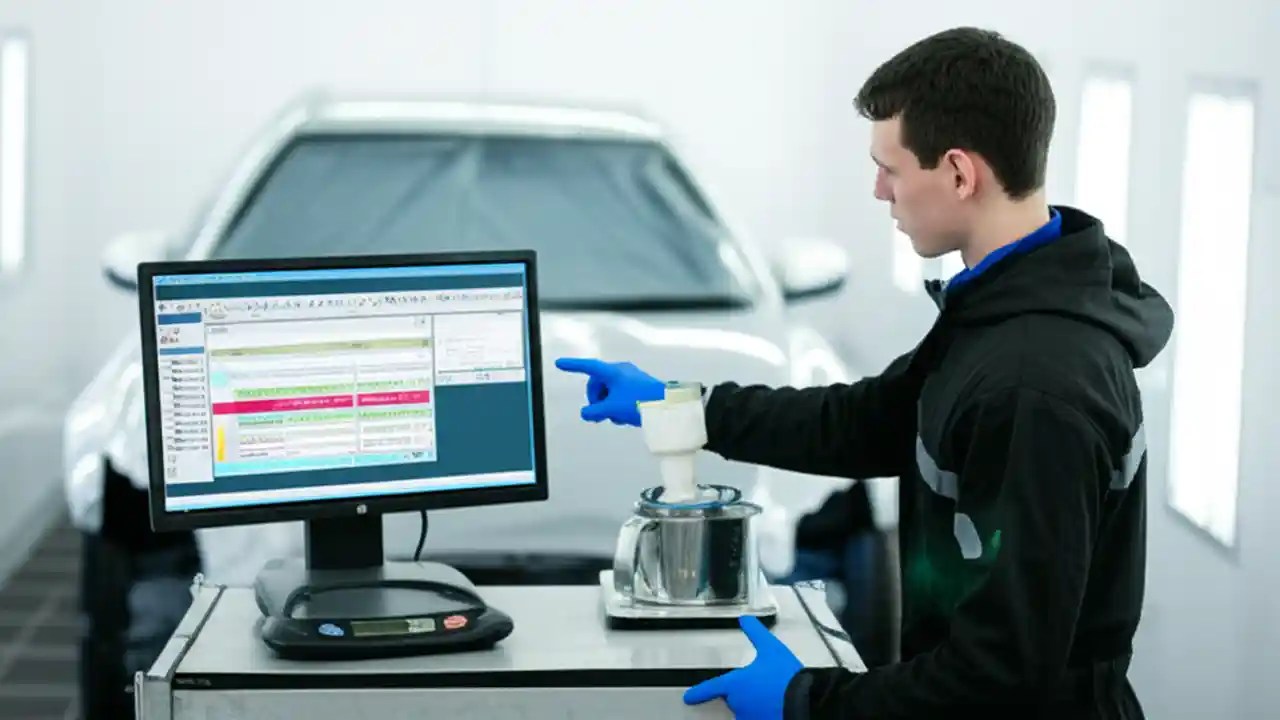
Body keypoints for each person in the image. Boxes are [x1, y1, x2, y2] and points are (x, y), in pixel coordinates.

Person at [556, 26, 1172, 719]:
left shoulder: (1034, 386)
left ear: (961, 173)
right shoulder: (1000, 310)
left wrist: (809, 702)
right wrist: (684, 408)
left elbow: (1000, 676)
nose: (880, 190)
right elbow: (866, 422)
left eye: (892, 167)